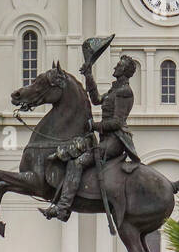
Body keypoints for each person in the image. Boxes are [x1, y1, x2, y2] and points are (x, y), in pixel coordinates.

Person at [41, 53, 139, 222]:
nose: (115, 67)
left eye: (119, 65)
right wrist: (88, 75)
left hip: (115, 141)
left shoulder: (125, 92)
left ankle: (63, 208)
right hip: (104, 139)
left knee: (77, 162)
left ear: (125, 71)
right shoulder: (115, 89)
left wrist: (94, 126)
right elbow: (96, 99)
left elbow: (117, 122)